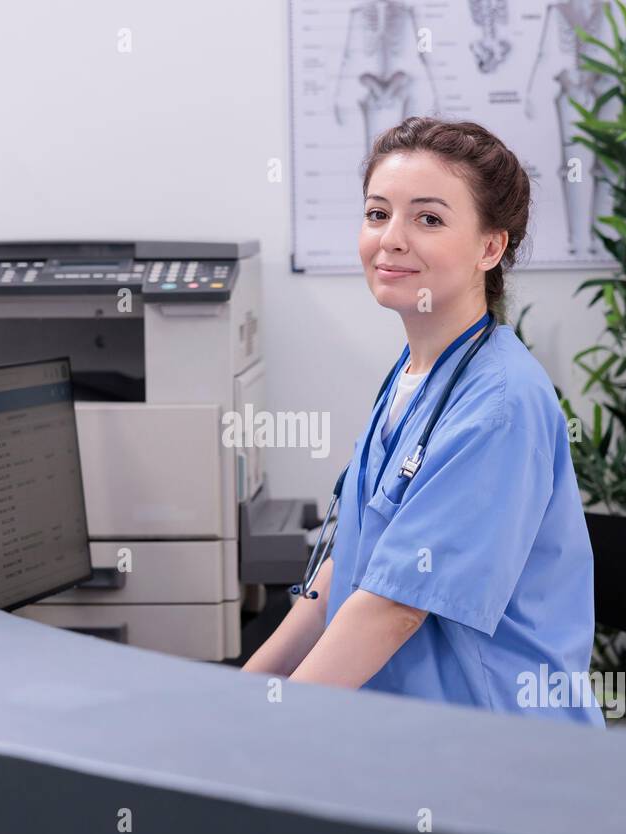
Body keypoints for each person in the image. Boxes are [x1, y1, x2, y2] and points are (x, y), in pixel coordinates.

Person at [244, 116, 603, 726]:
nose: (391, 239)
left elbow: (394, 608)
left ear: (490, 248)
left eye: (428, 219)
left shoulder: (499, 406)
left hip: (491, 748)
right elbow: (352, 566)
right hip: (396, 726)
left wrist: (271, 725)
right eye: (378, 213)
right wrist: (242, 696)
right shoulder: (418, 376)